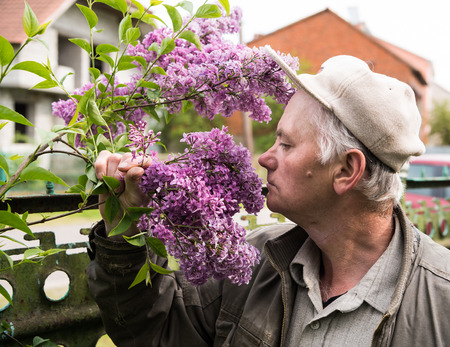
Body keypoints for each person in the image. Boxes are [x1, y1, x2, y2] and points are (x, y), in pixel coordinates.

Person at [87, 47, 450, 346]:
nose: (265, 157)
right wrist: (123, 228)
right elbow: (157, 332)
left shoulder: (440, 304)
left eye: (286, 144)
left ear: (345, 170)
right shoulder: (255, 261)